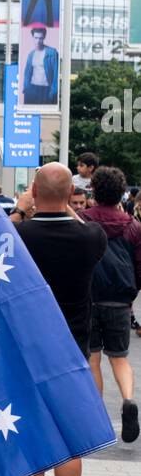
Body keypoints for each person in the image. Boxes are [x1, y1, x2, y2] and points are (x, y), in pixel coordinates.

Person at [7, 166, 107, 476]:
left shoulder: (19, 235)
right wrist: (66, 205)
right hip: (73, 354)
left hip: (28, 354)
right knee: (69, 442)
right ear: (71, 195)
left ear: (33, 190)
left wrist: (19, 209)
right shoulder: (91, 237)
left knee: (33, 440)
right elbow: (82, 223)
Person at [83, 165, 141, 442]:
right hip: (120, 300)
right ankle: (128, 400)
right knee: (119, 358)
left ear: (93, 189)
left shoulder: (83, 220)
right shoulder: (133, 226)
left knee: (93, 358)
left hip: (90, 298)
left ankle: (95, 416)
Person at [21, 26, 59, 107]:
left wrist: (54, 90)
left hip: (46, 90)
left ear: (44, 37)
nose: (38, 41)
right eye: (36, 38)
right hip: (32, 89)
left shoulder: (52, 53)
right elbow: (27, 73)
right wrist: (26, 88)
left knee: (46, 115)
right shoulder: (31, 54)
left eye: (40, 38)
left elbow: (56, 73)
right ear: (32, 37)